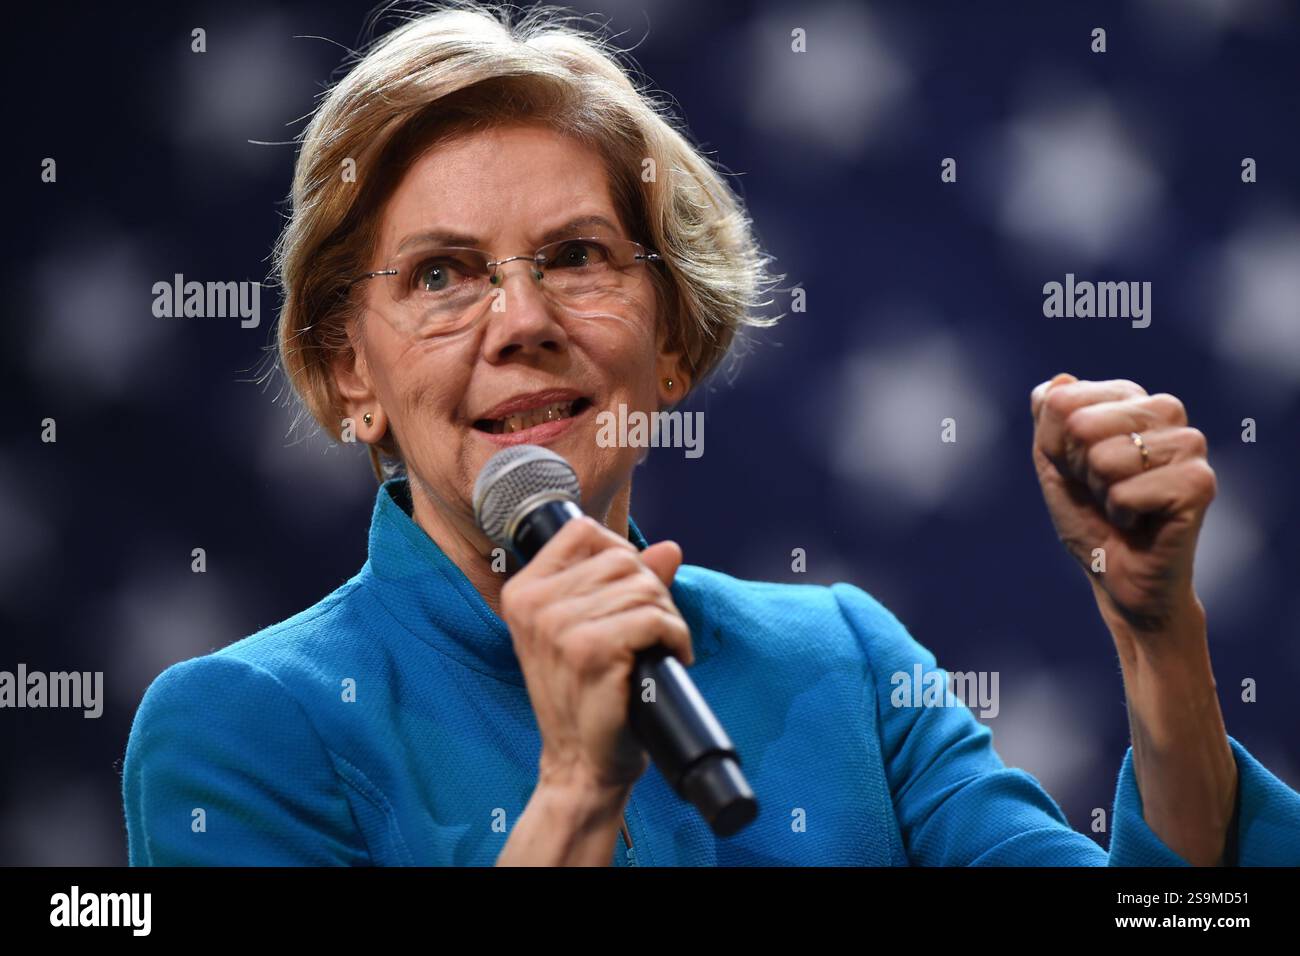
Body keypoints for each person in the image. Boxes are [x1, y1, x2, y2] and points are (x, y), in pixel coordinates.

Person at [122, 2, 1300, 866]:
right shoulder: (242, 725)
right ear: (350, 372)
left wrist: (1156, 637)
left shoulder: (841, 657)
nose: (520, 320)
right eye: (442, 275)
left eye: (577, 256)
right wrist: (578, 789)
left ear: (672, 335)